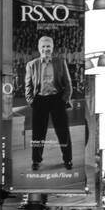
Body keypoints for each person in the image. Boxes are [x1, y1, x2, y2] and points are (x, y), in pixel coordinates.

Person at [23, 35, 75, 172]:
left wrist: (64, 100)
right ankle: (36, 161)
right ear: (39, 48)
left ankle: (68, 159)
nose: (46, 49)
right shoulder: (31, 65)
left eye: (48, 47)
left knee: (63, 132)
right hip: (39, 100)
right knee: (38, 134)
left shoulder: (60, 62)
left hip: (57, 99)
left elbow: (68, 83)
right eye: (43, 47)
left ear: (52, 48)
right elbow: (28, 86)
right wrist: (31, 101)